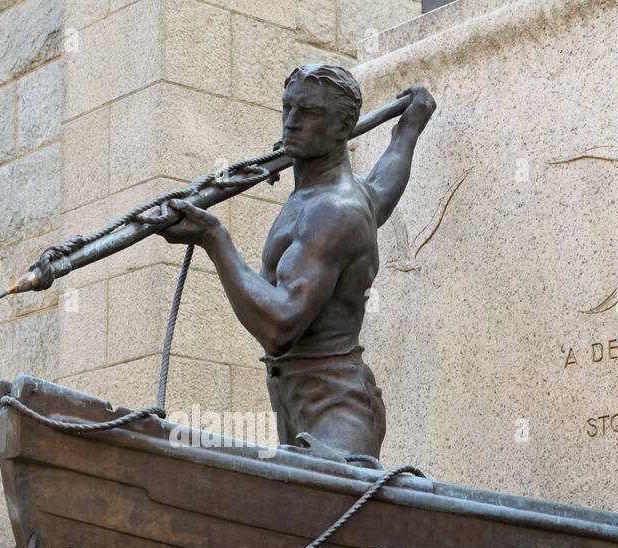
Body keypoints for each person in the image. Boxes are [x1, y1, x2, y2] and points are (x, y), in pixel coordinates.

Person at [161, 64, 436, 464]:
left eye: (307, 114)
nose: (290, 123)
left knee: (321, 520)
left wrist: (213, 239)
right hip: (298, 407)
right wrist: (408, 129)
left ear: (343, 128)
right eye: (287, 109)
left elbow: (281, 327)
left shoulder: (333, 211)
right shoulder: (342, 194)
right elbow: (383, 190)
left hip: (336, 416)